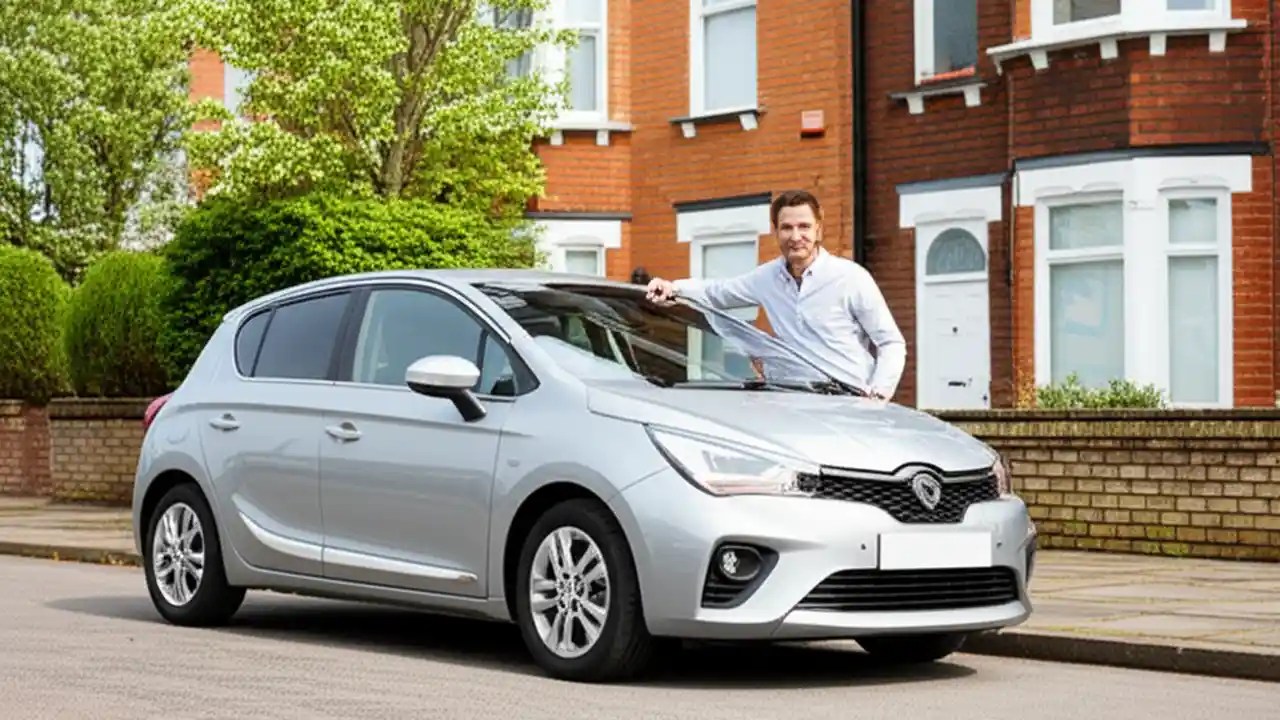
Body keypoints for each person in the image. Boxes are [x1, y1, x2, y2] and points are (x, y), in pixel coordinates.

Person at [645, 189, 906, 401]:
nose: (796, 237)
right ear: (776, 231)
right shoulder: (766, 278)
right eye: (787, 228)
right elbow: (717, 293)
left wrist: (879, 393)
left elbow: (891, 342)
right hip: (793, 400)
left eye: (804, 226)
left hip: (851, 401)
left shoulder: (850, 277)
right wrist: (673, 287)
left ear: (819, 230)